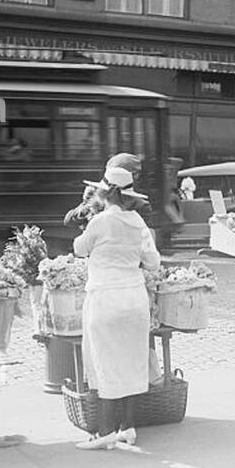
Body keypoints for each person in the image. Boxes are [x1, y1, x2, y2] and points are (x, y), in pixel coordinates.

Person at [73, 166, 161, 450]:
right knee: (131, 363)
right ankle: (128, 427)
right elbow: (153, 262)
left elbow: (79, 248)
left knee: (105, 363)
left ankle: (104, 432)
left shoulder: (100, 222)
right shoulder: (139, 223)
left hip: (105, 300)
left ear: (105, 192)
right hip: (134, 301)